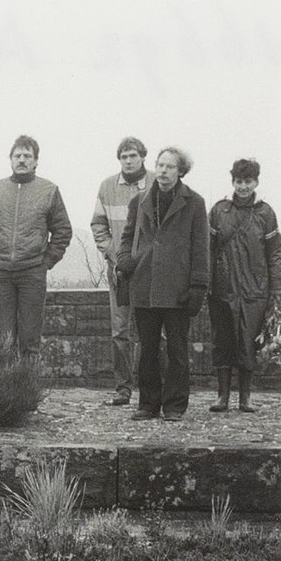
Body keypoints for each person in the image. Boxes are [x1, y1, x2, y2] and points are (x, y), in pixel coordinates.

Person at [116, 147, 209, 423]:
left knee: (177, 350)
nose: (164, 171)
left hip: (178, 288)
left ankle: (175, 405)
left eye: (170, 166)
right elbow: (127, 236)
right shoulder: (140, 200)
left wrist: (198, 285)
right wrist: (124, 259)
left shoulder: (194, 202)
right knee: (147, 349)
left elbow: (200, 246)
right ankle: (148, 404)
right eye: (160, 165)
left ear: (181, 171)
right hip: (144, 285)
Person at [0, 135, 73, 361]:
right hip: (0, 274)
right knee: (3, 338)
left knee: (30, 338)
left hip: (32, 273)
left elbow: (63, 231)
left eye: (27, 156)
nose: (21, 160)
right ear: (10, 159)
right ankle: (5, 383)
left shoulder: (49, 190)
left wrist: (46, 262)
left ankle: (28, 382)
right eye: (17, 155)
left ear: (36, 161)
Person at [207, 158, 281, 415]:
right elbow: (208, 249)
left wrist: (276, 287)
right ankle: (222, 396)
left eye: (248, 181)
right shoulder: (219, 210)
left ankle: (245, 398)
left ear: (256, 182)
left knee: (249, 341)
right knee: (223, 339)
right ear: (233, 182)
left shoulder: (266, 213)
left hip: (255, 289)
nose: (243, 186)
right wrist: (207, 282)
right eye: (239, 181)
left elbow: (274, 253)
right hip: (223, 287)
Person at [90, 137, 150, 406]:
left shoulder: (156, 183)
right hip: (119, 271)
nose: (128, 161)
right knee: (120, 331)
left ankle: (152, 386)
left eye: (133, 155)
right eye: (124, 156)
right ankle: (123, 388)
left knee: (152, 331)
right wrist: (114, 256)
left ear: (142, 157)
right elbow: (98, 226)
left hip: (149, 271)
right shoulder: (107, 187)